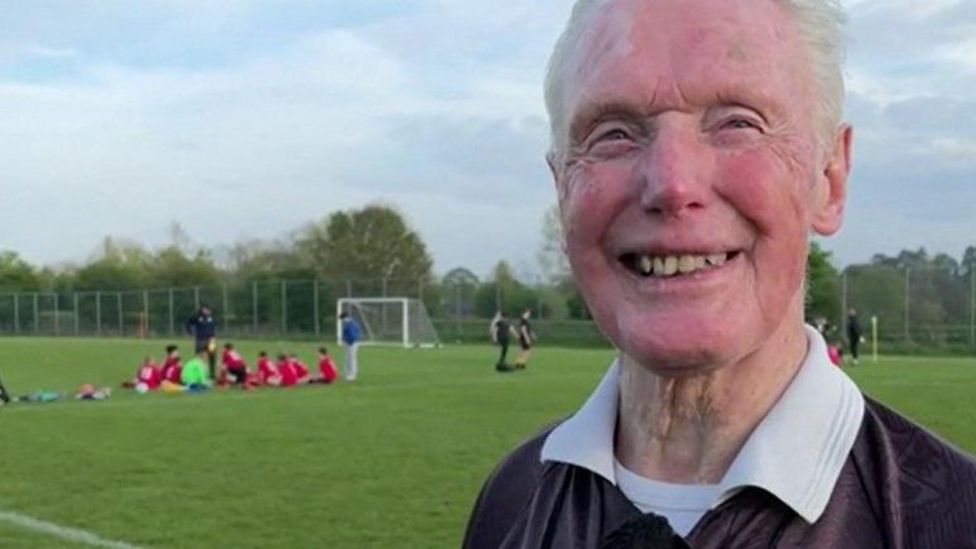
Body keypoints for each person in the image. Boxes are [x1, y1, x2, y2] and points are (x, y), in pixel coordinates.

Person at [464, 1, 976, 547]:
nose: (672, 184)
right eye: (613, 133)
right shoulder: (512, 499)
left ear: (830, 177)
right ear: (562, 187)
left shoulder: (954, 521)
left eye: (738, 123)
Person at [185, 305, 218, 381]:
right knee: (199, 357)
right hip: (201, 340)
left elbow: (213, 327)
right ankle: (199, 373)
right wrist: (189, 331)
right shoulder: (197, 317)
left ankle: (212, 374)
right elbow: (188, 322)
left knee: (212, 357)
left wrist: (213, 336)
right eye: (207, 309)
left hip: (211, 340)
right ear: (203, 309)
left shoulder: (211, 318)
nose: (209, 311)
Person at [339, 311, 361, 381]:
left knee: (351, 359)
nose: (342, 321)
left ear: (345, 318)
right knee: (347, 358)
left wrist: (346, 340)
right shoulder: (350, 323)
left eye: (342, 319)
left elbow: (353, 336)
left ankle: (352, 375)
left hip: (351, 343)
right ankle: (347, 373)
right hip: (350, 343)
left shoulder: (350, 324)